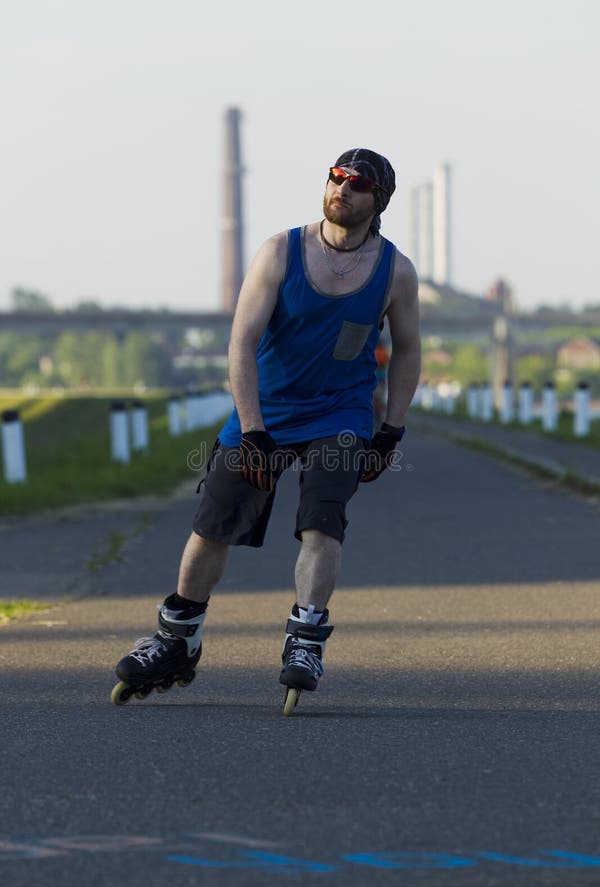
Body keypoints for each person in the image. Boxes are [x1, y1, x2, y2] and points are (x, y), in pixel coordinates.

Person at [111, 148, 421, 708]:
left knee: (322, 520)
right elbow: (242, 342)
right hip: (266, 409)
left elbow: (408, 350)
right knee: (214, 524)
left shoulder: (395, 271)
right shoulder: (281, 251)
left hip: (341, 413)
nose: (341, 189)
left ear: (378, 201)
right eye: (336, 177)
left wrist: (390, 430)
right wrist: (252, 430)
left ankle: (305, 640)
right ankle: (176, 639)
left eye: (357, 184)